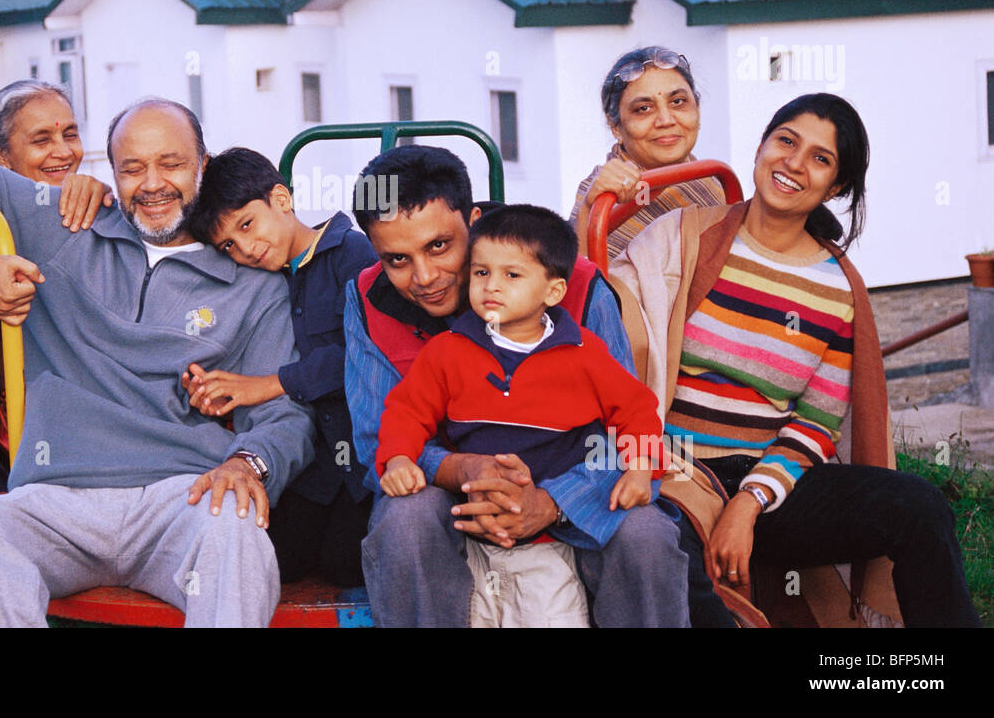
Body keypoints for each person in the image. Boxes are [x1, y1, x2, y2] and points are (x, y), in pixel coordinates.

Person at [0, 98, 314, 627]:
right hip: (59, 496)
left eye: (171, 164)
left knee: (237, 532)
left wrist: (250, 463)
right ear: (111, 174)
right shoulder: (63, 224)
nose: (152, 184)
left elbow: (285, 413)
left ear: (202, 163)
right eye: (131, 168)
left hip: (183, 498)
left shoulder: (252, 281)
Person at [609, 92, 981, 627]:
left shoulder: (837, 288)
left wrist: (749, 503)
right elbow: (598, 307)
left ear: (837, 187)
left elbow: (817, 422)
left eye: (820, 158)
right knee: (661, 548)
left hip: (769, 483)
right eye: (786, 141)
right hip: (675, 468)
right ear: (761, 146)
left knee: (918, 508)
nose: (794, 164)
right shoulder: (684, 236)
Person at [343, 145, 690, 628]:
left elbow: (626, 422)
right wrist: (464, 469)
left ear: (474, 220)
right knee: (403, 520)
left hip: (574, 485)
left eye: (440, 246)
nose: (424, 277)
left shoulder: (573, 283)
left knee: (645, 533)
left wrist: (551, 503)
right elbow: (376, 438)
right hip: (453, 499)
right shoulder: (366, 299)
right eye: (397, 259)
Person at [183, 147, 377, 587]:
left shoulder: (353, 254)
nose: (246, 248)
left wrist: (268, 385)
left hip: (365, 461)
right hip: (312, 467)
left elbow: (366, 354)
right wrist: (211, 385)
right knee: (274, 560)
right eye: (228, 244)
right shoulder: (265, 283)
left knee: (345, 563)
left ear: (282, 199)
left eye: (248, 224)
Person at [0, 79, 115, 529]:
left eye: (70, 135)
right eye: (41, 139)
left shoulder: (82, 203)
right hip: (14, 426)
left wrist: (101, 193)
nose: (63, 151)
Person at [570, 47, 725, 260]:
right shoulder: (601, 196)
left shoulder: (711, 181)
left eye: (678, 102)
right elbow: (579, 282)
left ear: (697, 108)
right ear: (615, 126)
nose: (666, 120)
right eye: (644, 108)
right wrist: (590, 209)